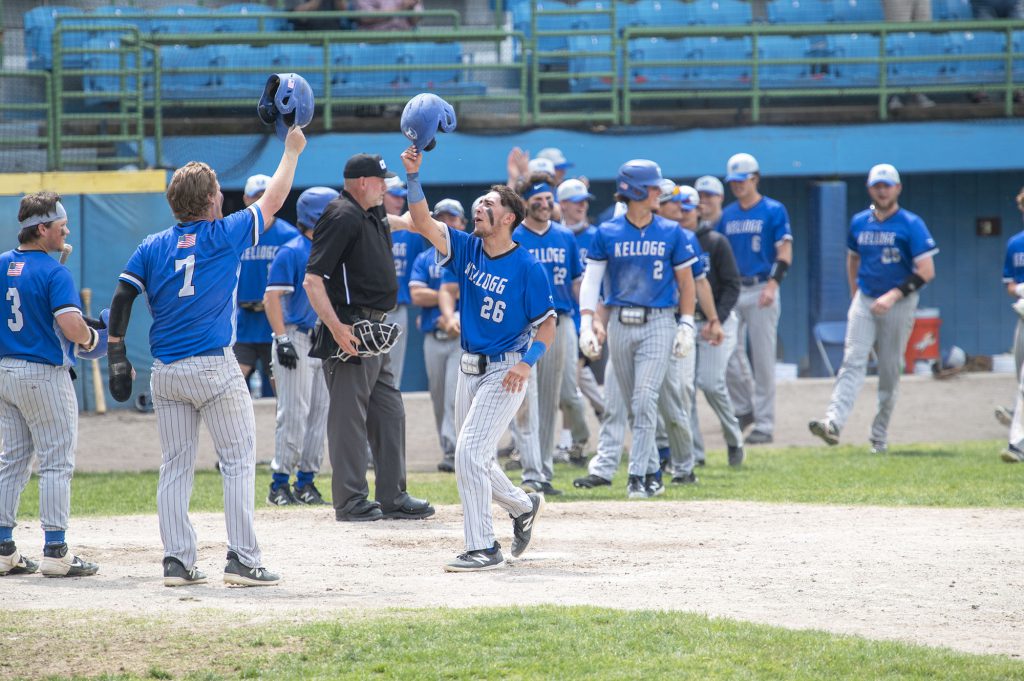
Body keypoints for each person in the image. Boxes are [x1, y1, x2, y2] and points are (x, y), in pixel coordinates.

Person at [106, 128, 307, 587]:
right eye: (218, 191)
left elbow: (122, 296)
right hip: (214, 366)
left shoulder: (152, 245)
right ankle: (243, 558)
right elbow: (273, 201)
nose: (223, 197)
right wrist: (291, 152)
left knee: (175, 465)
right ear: (209, 200)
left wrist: (117, 354)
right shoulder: (224, 233)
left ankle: (177, 561)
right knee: (237, 461)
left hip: (167, 371)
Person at [398, 145, 552, 572]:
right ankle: (522, 505)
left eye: (489, 204)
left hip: (505, 370)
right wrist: (413, 177)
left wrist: (527, 362)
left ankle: (483, 545)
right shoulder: (468, 247)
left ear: (508, 219)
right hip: (469, 369)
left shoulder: (527, 267)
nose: (478, 207)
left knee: (467, 454)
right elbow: (424, 222)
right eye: (479, 201)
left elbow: (548, 325)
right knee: (478, 456)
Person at [303, 152, 435, 523]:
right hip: (351, 330)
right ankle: (350, 501)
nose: (385, 187)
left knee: (389, 412)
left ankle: (393, 496)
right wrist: (337, 329)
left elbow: (393, 220)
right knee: (348, 418)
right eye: (381, 182)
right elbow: (312, 281)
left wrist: (411, 205)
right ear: (363, 183)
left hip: (376, 330)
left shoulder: (368, 211)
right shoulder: (341, 215)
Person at [577, 160, 705, 498]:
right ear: (634, 191)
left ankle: (636, 475)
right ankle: (652, 472)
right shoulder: (607, 232)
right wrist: (587, 323)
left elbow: (686, 282)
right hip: (619, 320)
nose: (658, 193)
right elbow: (592, 281)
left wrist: (687, 322)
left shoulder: (671, 231)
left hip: (660, 320)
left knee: (645, 397)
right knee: (638, 405)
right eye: (651, 187)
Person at [0, 191, 102, 578]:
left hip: (6, 370)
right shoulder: (55, 272)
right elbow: (72, 327)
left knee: (12, 461)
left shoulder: (3, 264)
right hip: (43, 373)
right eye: (60, 226)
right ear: (42, 229)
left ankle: (3, 546)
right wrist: (92, 341)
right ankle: (56, 550)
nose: (66, 231)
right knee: (57, 462)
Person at [809, 164, 938, 454]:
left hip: (899, 303)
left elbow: (927, 271)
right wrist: (856, 296)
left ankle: (879, 435)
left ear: (897, 188)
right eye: (877, 185)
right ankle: (833, 423)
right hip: (866, 299)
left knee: (889, 371)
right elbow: (852, 259)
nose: (882, 190)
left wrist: (893, 296)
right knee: (852, 360)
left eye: (887, 185)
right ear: (870, 189)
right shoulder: (859, 222)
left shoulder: (911, 223)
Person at [263, 186, 338, 506]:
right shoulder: (292, 250)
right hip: (294, 336)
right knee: (294, 413)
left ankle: (306, 480)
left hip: (324, 339)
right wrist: (280, 339)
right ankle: (279, 482)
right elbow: (271, 297)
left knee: (320, 412)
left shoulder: (331, 250)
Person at [512, 179, 583, 495]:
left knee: (552, 396)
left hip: (560, 320)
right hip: (524, 324)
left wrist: (590, 319)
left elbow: (577, 283)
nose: (544, 203)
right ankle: (532, 470)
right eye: (537, 198)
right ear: (526, 202)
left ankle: (544, 471)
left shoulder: (566, 237)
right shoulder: (514, 236)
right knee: (526, 397)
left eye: (548, 197)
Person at [720, 152, 793, 445]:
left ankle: (764, 423)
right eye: (733, 181)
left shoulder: (774, 210)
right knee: (726, 354)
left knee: (763, 360)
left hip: (763, 286)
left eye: (743, 180)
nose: (737, 186)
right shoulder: (727, 214)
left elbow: (784, 253)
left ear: (755, 178)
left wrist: (773, 284)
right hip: (735, 289)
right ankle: (744, 409)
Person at [677, 183, 745, 467]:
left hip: (720, 321)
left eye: (687, 209)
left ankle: (734, 438)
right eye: (678, 209)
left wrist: (718, 317)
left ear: (698, 211)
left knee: (711, 383)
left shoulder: (715, 241)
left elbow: (732, 284)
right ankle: (696, 453)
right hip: (690, 324)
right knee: (686, 387)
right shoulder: (673, 240)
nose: (682, 215)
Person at [409, 198, 466, 473]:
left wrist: (452, 302)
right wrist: (447, 296)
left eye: (451, 217)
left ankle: (456, 450)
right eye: (440, 217)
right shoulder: (424, 257)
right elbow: (416, 294)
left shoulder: (468, 252)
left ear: (462, 222)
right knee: (439, 396)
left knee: (456, 395)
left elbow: (472, 293)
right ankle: (448, 449)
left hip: (461, 338)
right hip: (434, 335)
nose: (445, 222)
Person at [234, 174, 300, 397]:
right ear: (245, 199)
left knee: (280, 385)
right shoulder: (235, 234)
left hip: (276, 322)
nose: (261, 202)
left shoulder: (289, 236)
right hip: (244, 321)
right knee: (233, 383)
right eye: (256, 197)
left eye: (266, 196)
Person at [556, 178, 602, 462]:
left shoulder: (597, 235)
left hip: (590, 317)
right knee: (574, 384)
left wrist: (598, 320)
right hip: (562, 319)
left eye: (585, 200)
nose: (582, 206)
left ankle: (571, 442)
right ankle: (604, 418)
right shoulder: (555, 235)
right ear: (562, 205)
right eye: (576, 201)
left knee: (573, 382)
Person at [385, 175, 425, 390]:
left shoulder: (411, 233)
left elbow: (416, 275)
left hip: (397, 309)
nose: (400, 201)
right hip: (366, 311)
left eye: (402, 197)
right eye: (394, 196)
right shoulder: (366, 225)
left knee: (393, 375)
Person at [995, 186, 1024, 429]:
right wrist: (1020, 290)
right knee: (1020, 371)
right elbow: (1009, 284)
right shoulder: (1015, 244)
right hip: (1023, 315)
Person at [353, 0, 422, 31]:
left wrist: (411, 6)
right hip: (374, 42)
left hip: (404, 41)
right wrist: (400, 8)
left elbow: (415, 21)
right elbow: (365, 17)